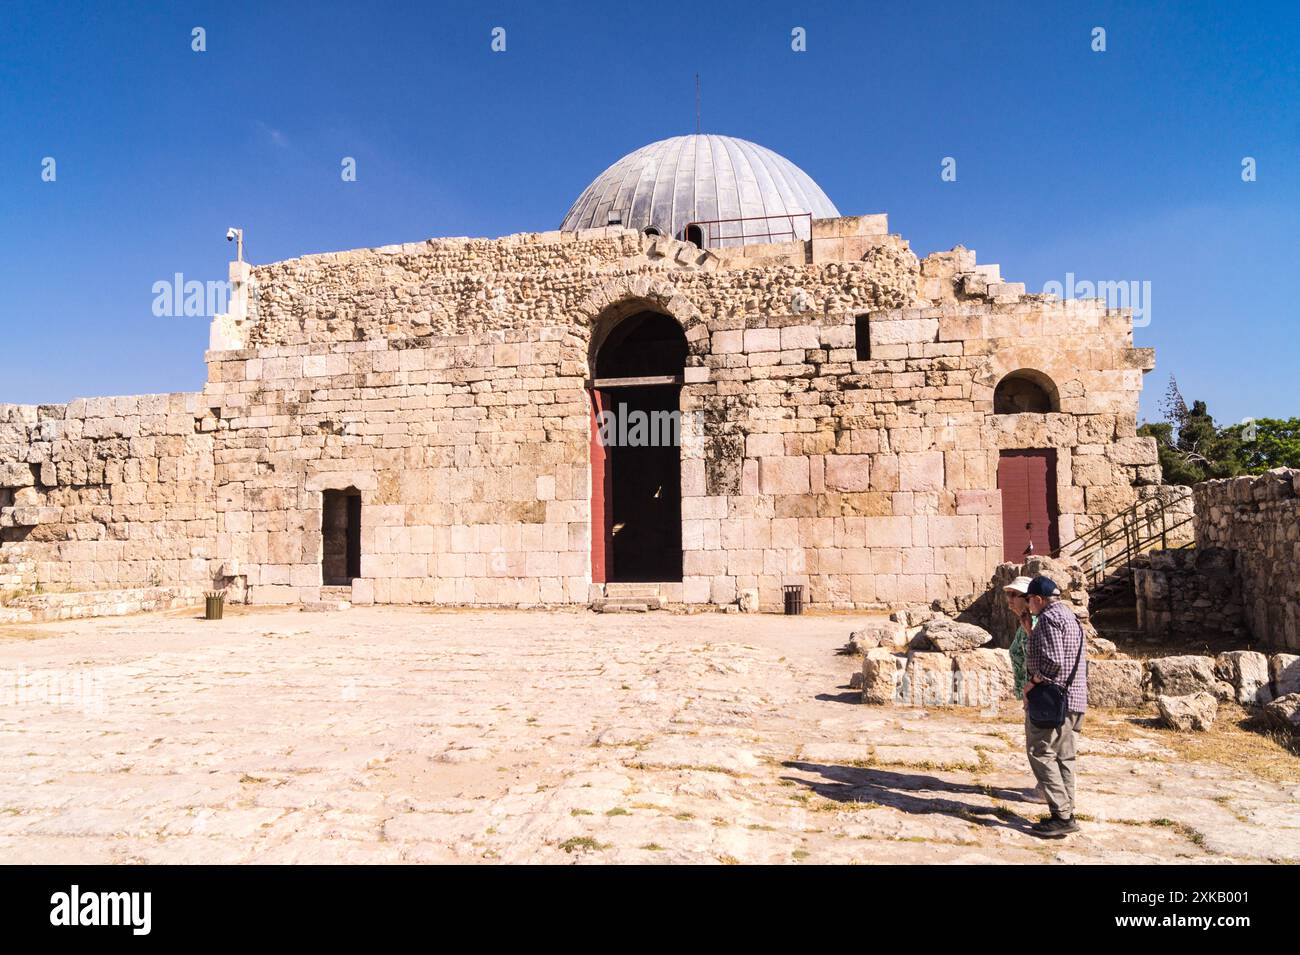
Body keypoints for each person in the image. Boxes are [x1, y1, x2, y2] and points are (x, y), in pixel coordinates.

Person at [1015, 575, 1088, 838]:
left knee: (1040, 751)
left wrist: (1031, 684)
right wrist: (1030, 633)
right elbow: (1064, 655)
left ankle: (1061, 815)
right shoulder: (1070, 617)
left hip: (1053, 701)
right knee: (1064, 757)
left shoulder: (1048, 619)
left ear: (1037, 599)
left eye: (1029, 601)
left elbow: (1054, 662)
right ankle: (1068, 811)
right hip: (1076, 699)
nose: (1029, 607)